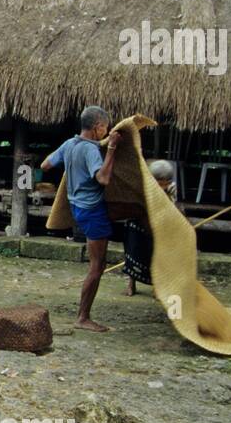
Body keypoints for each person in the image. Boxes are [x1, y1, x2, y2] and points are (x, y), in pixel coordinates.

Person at [41, 105, 121, 332]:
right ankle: (83, 317)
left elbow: (45, 164)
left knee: (97, 264)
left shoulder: (70, 144)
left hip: (77, 206)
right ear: (97, 127)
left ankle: (83, 315)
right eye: (105, 128)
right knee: (97, 266)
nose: (106, 132)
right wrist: (113, 148)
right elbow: (103, 178)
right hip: (91, 210)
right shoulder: (89, 149)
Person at [123, 159, 179, 295]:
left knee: (158, 254)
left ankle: (157, 286)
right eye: (160, 183)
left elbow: (171, 208)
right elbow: (133, 207)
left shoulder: (171, 188)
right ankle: (131, 283)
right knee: (134, 250)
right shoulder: (142, 185)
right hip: (138, 223)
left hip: (158, 224)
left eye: (166, 183)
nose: (163, 186)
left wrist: (167, 195)